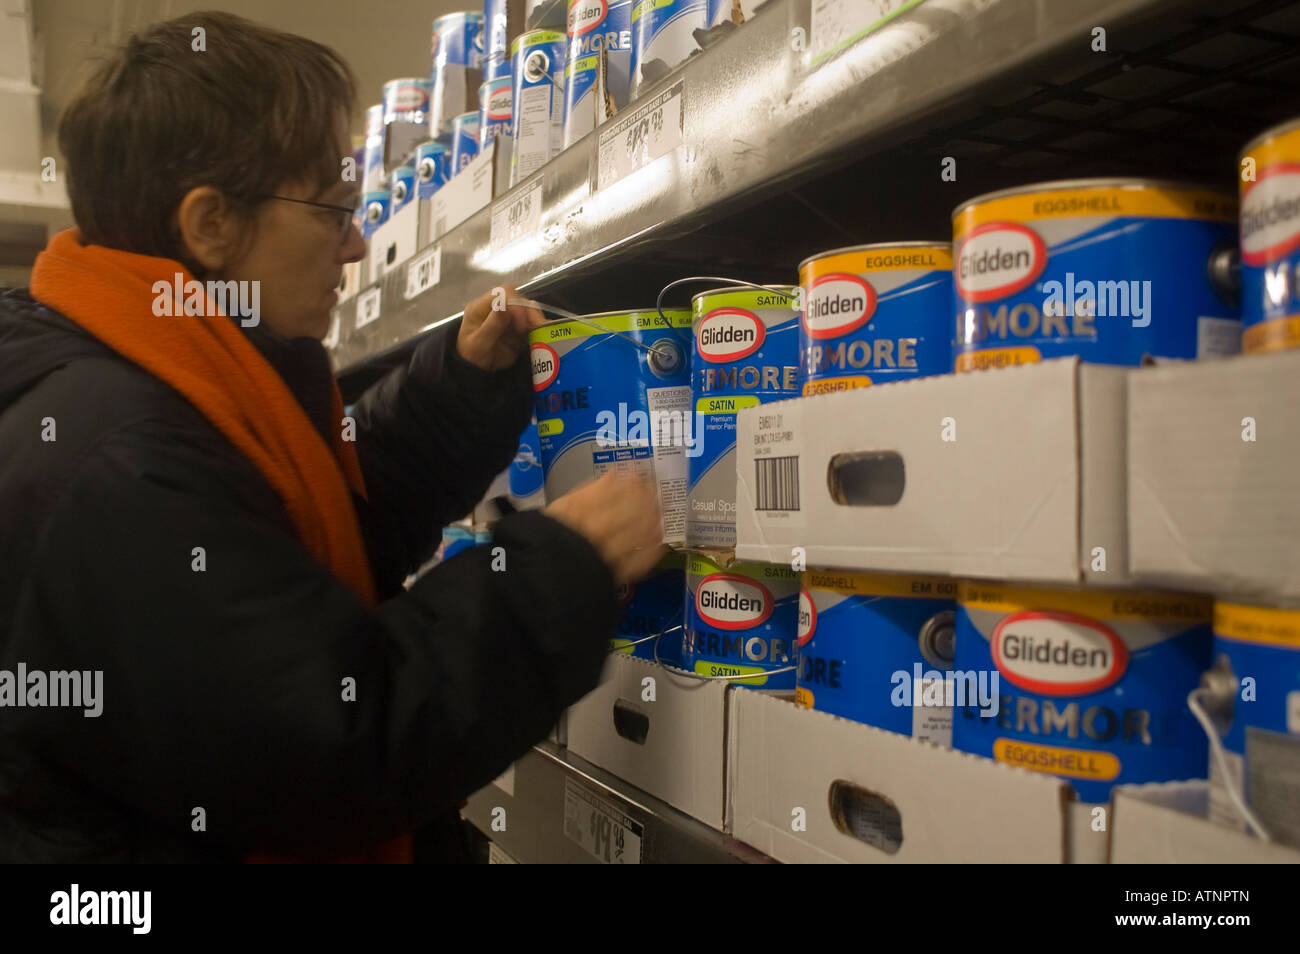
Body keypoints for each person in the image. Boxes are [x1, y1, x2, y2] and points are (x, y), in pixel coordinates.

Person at [0, 11, 663, 863]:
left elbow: (293, 553)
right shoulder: (121, 464)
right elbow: (337, 744)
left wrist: (452, 394)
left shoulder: (151, 371)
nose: (355, 243)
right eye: (332, 209)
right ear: (210, 225)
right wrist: (557, 574)